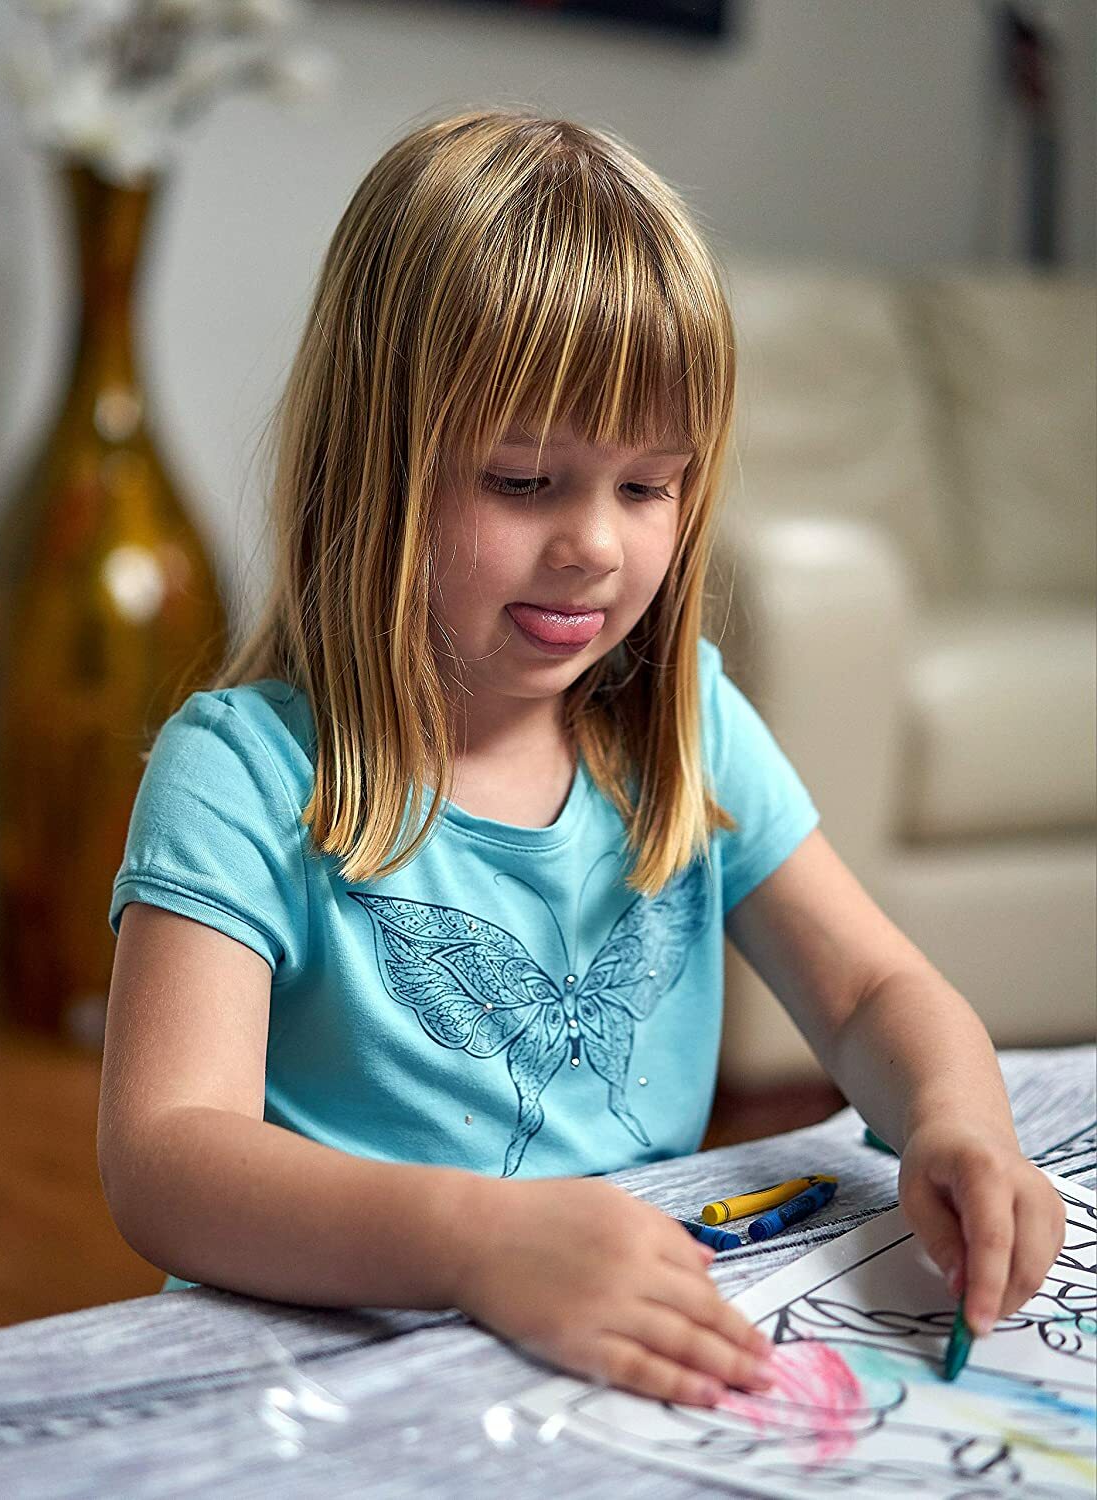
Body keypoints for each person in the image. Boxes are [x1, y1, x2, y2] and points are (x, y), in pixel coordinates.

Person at [98, 108, 1064, 1411]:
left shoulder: (688, 725)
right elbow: (166, 1158)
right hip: (325, 1372)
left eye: (648, 486)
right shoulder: (244, 772)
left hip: (609, 1362)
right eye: (524, 481)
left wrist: (958, 1118)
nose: (596, 548)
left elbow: (867, 989)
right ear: (371, 466)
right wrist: (475, 1242)